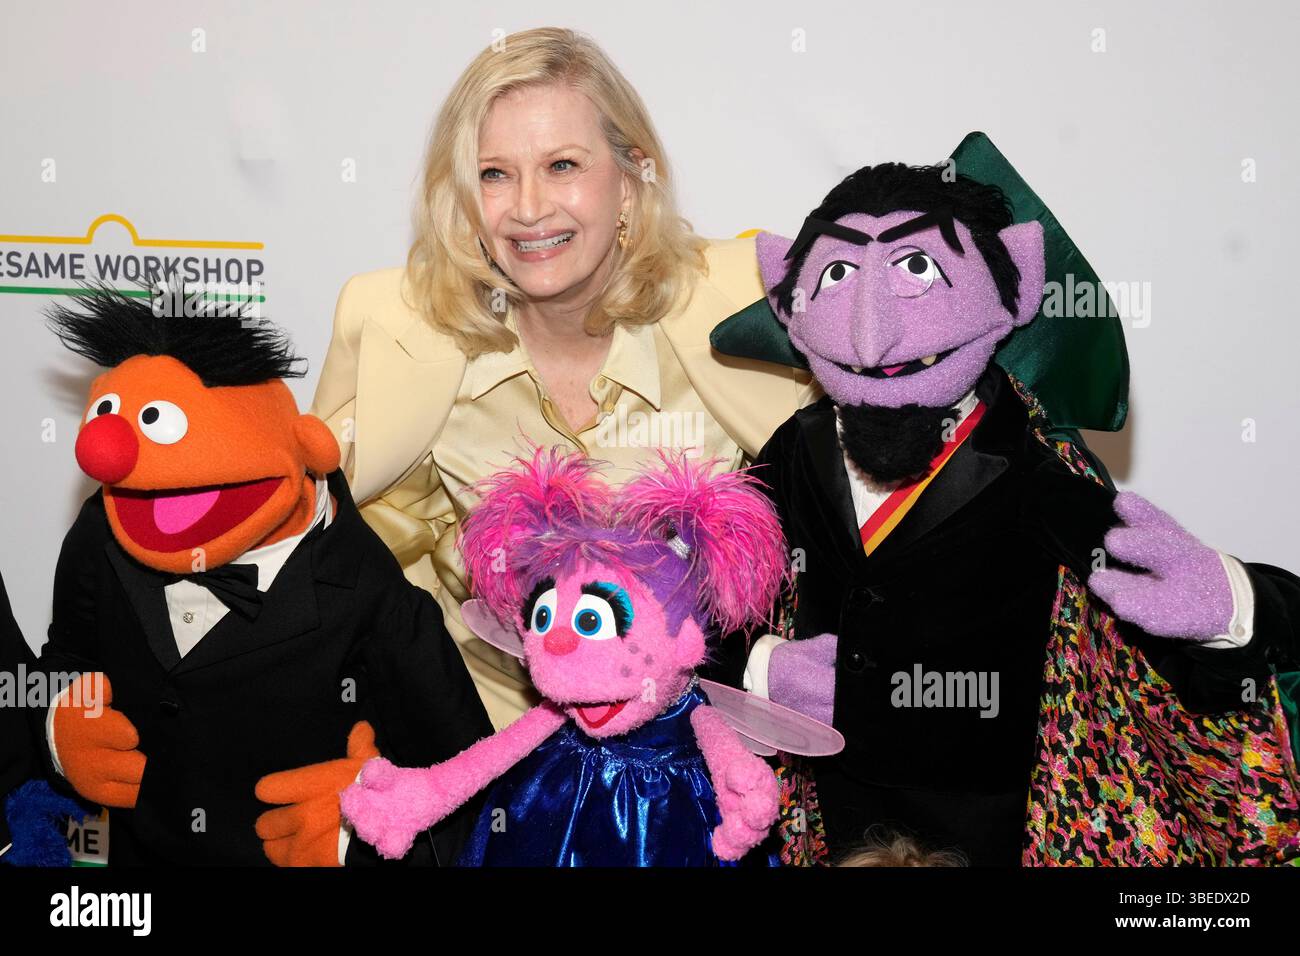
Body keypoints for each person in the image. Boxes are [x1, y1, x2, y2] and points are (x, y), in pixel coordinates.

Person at [310, 27, 817, 729]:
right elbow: (345, 554)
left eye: (562, 166)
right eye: (494, 173)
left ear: (633, 179)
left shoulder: (748, 306)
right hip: (496, 756)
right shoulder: (404, 338)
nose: (527, 208)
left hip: (713, 763)